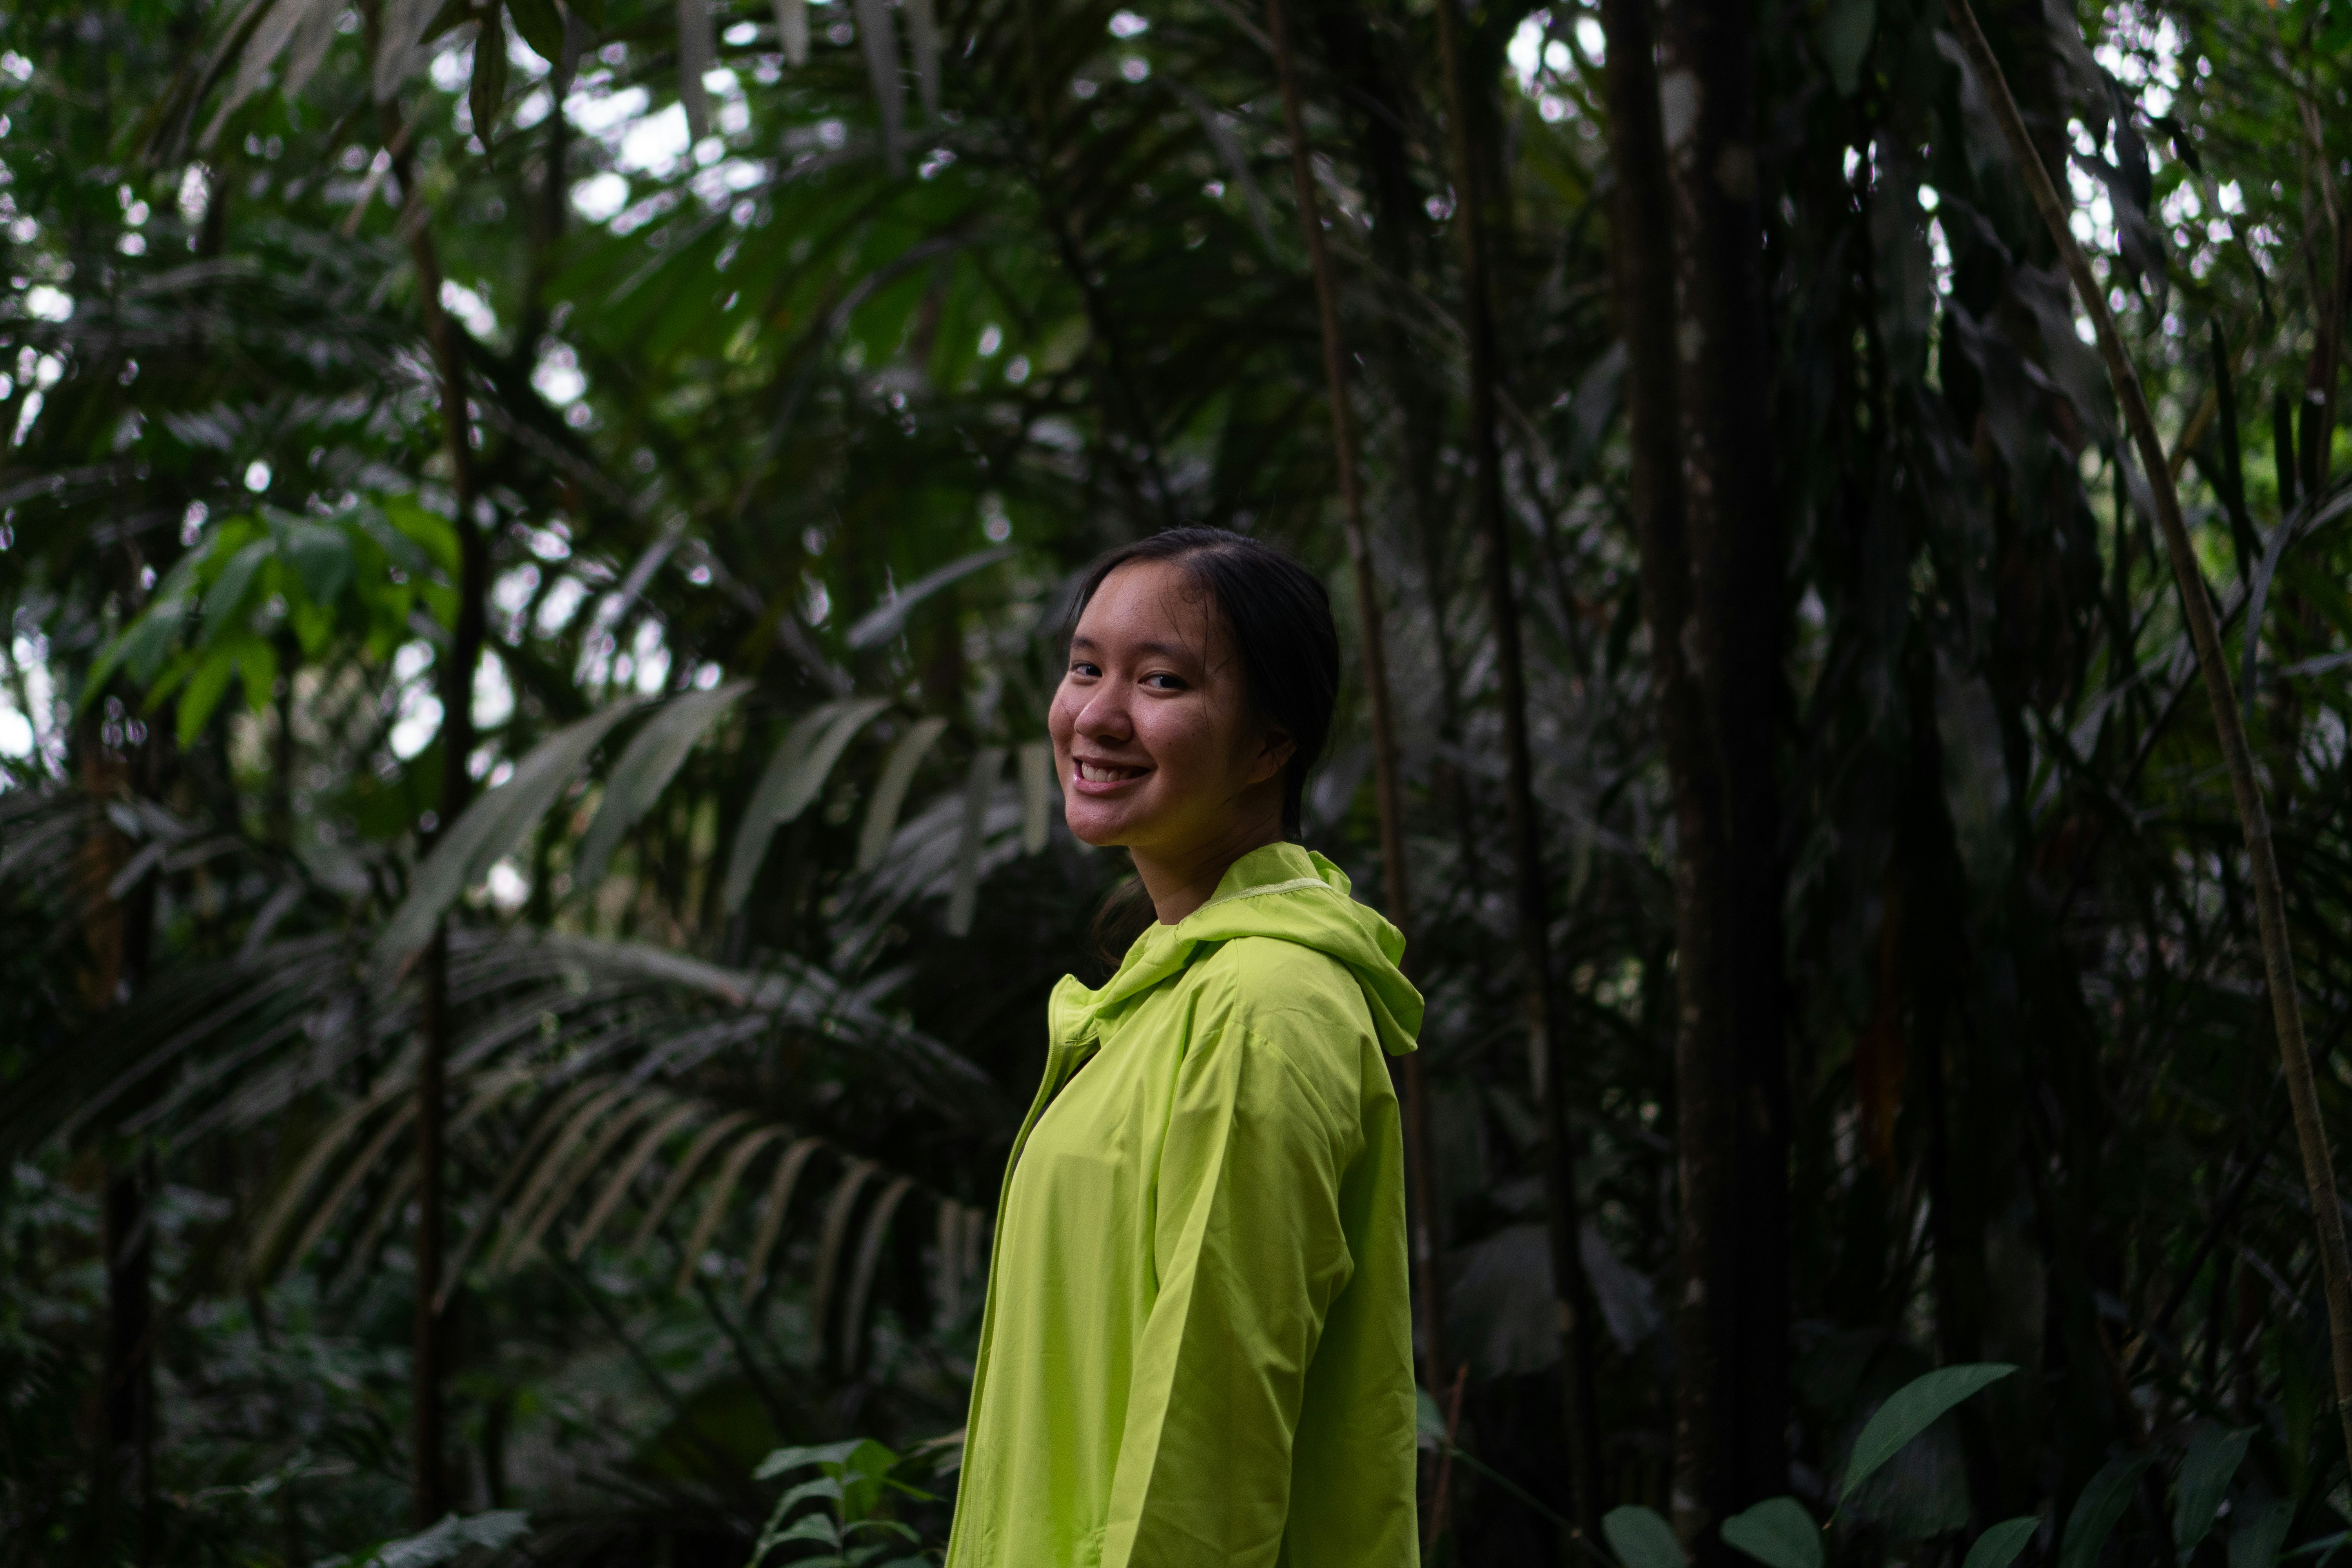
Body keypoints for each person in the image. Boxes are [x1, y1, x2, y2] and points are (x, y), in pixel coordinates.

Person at [944, 527, 1423, 1568]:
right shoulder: (1162, 997)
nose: (1097, 716)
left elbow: (1209, 1439)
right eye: (1084, 668)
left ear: (1269, 744)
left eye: (1161, 680)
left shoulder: (1263, 1009)